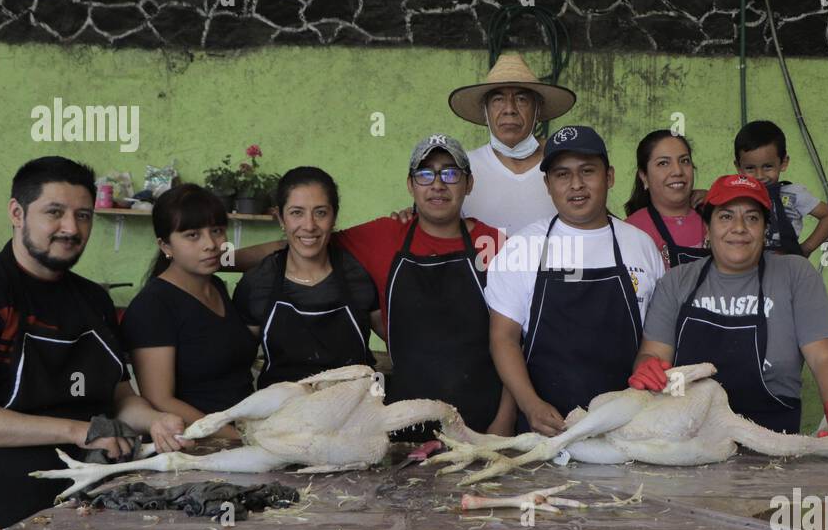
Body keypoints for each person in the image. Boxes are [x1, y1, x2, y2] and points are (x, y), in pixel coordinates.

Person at [0, 157, 190, 530]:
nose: (71, 228)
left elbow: (119, 397)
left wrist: (156, 422)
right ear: (17, 213)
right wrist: (77, 431)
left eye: (83, 215)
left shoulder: (93, 300)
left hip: (90, 495)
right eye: (55, 213)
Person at [630, 174, 828, 458]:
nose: (739, 228)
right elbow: (654, 353)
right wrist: (647, 368)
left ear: (765, 229)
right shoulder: (677, 281)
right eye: (725, 217)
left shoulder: (795, 275)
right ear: (707, 228)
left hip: (771, 443)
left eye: (752, 218)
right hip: (688, 444)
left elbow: (825, 358)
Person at [484, 125, 665, 435]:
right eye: (562, 175)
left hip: (628, 429)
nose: (576, 185)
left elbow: (657, 337)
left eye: (587, 171)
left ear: (609, 177)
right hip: (545, 433)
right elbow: (503, 339)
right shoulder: (523, 248)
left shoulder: (641, 246)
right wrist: (531, 405)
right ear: (548, 184)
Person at [336, 135, 514, 434]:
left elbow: (517, 344)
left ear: (468, 184)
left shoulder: (494, 245)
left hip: (482, 423)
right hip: (405, 422)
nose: (438, 184)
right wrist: (228, 257)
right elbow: (308, 243)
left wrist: (503, 423)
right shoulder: (385, 236)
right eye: (425, 173)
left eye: (450, 172)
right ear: (411, 185)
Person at [120, 185, 257, 438]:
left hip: (245, 431)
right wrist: (235, 437)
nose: (211, 245)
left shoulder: (215, 285)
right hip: (195, 444)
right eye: (193, 235)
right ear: (165, 246)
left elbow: (281, 251)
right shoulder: (153, 306)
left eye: (216, 231)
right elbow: (160, 399)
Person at [233, 167, 379, 387]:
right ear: (281, 218)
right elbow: (235, 364)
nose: (309, 226)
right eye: (296, 213)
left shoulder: (359, 274)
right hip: (282, 412)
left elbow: (400, 343)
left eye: (320, 212)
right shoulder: (257, 283)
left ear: (334, 217)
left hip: (354, 408)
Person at [445, 51, 577, 235]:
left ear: (538, 109)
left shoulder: (566, 165)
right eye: (498, 100)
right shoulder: (462, 168)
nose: (509, 109)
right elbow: (435, 226)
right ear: (485, 111)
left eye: (521, 99)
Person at [734, 120, 828, 258]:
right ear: (738, 167)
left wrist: (806, 248)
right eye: (750, 168)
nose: (759, 176)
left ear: (783, 163)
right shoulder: (734, 195)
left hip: (786, 269)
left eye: (768, 166)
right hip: (747, 268)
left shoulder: (794, 193)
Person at [623, 128, 708, 268]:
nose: (677, 171)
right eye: (663, 163)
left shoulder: (716, 216)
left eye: (684, 161)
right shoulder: (631, 231)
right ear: (644, 176)